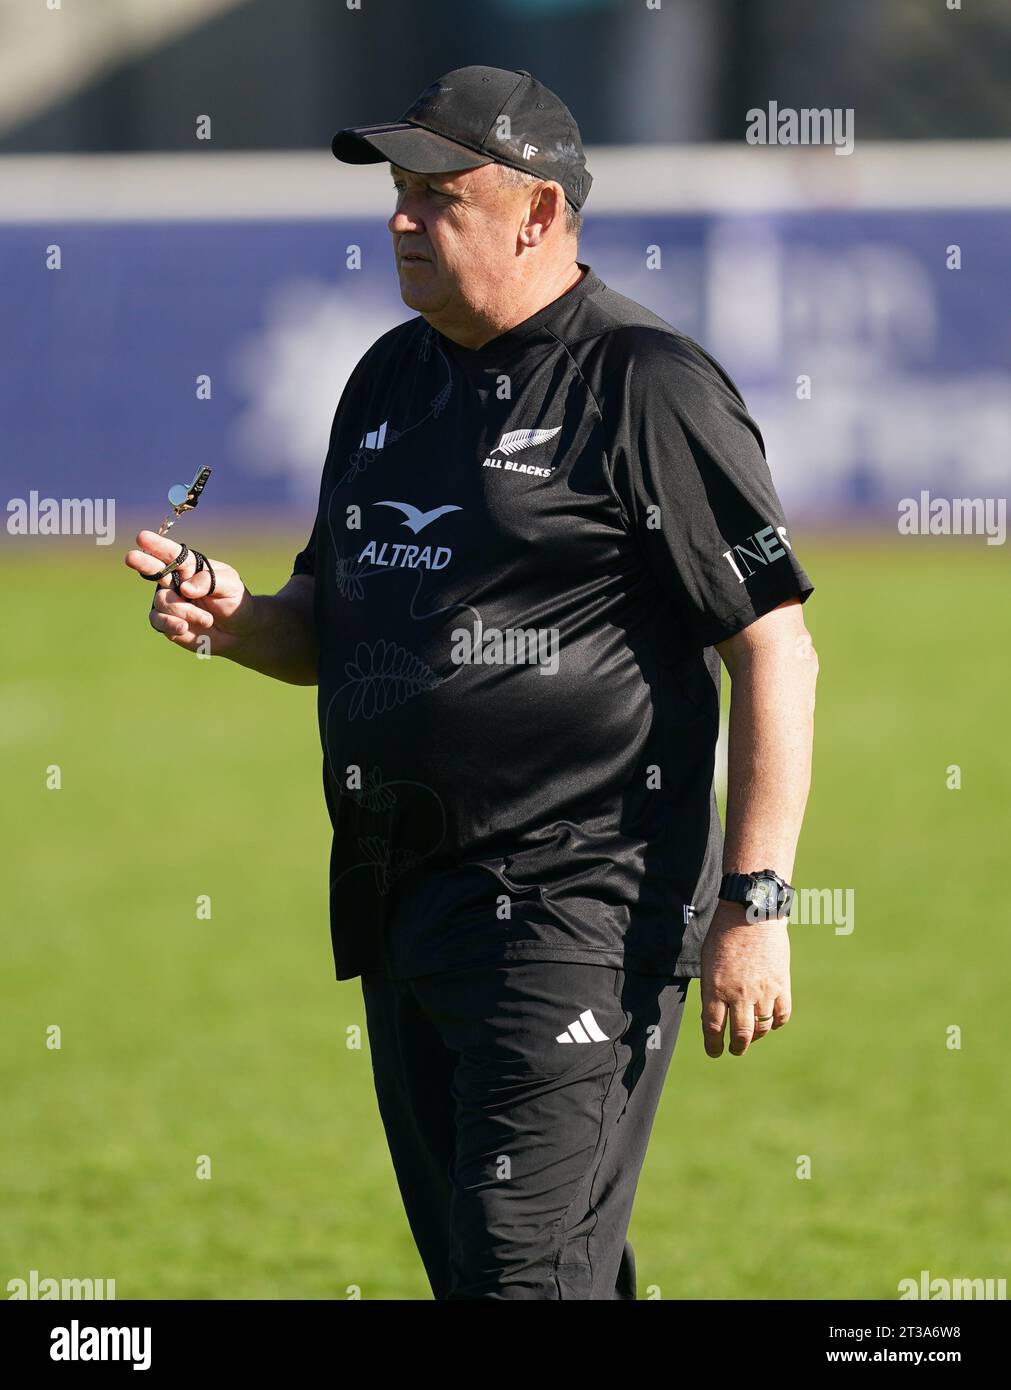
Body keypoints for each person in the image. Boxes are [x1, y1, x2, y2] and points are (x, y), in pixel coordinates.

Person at [125, 65, 818, 1300]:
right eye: (398, 192)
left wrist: (757, 903)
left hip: (578, 908)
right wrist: (242, 622)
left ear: (538, 212)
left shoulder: (646, 383)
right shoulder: (388, 380)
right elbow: (327, 630)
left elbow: (774, 647)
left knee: (516, 1275)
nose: (400, 219)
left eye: (437, 194)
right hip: (402, 900)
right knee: (501, 1272)